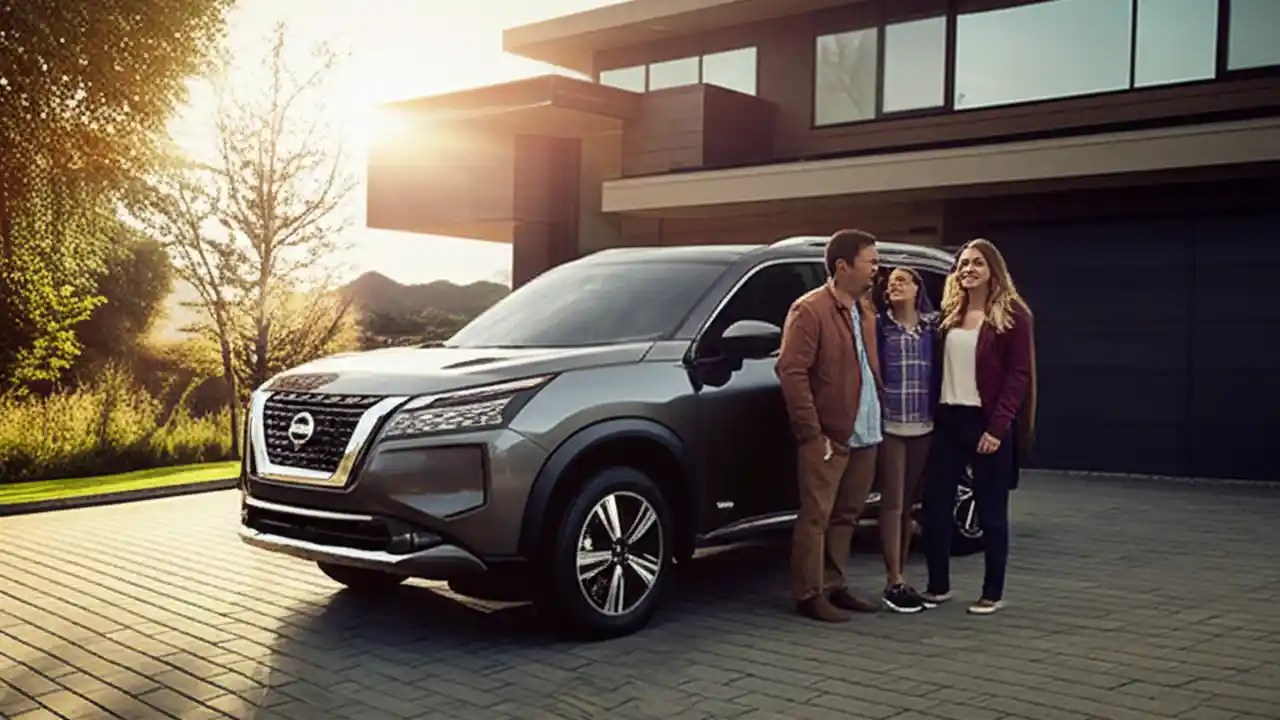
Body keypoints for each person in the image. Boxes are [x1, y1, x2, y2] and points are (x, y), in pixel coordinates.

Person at [920, 238, 1036, 615]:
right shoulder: (948, 315)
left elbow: (1018, 376)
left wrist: (999, 429)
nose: (968, 269)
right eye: (963, 263)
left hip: (986, 422)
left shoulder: (1013, 314)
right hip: (948, 420)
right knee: (936, 508)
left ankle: (992, 593)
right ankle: (938, 587)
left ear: (993, 271)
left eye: (977, 263)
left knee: (991, 512)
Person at [775, 228, 884, 623]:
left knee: (847, 514)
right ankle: (809, 594)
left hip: (867, 429)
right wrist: (811, 431)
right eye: (871, 261)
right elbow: (791, 370)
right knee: (816, 515)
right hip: (828, 435)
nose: (877, 268)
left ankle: (835, 585)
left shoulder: (865, 310)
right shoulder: (810, 309)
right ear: (842, 266)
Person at [874, 267, 939, 614]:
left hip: (923, 424)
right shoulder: (880, 326)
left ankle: (902, 579)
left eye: (903, 280)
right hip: (890, 425)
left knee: (909, 503)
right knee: (893, 501)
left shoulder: (933, 327)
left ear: (917, 288)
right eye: (890, 281)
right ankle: (893, 579)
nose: (895, 285)